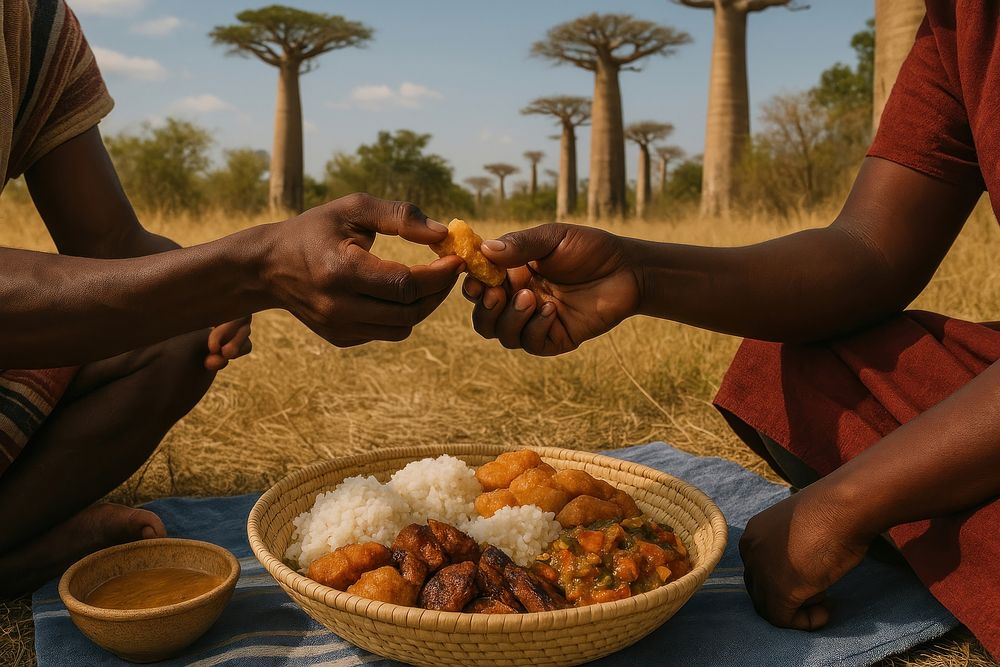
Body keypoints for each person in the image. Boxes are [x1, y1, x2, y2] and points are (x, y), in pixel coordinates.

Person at [462, 2, 998, 656]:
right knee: (790, 368)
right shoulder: (957, 21)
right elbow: (870, 250)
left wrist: (847, 503)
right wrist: (638, 273)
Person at [0, 0, 463, 595]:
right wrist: (245, 269)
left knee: (188, 331)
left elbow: (110, 242)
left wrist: (219, 290)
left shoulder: (35, 23)